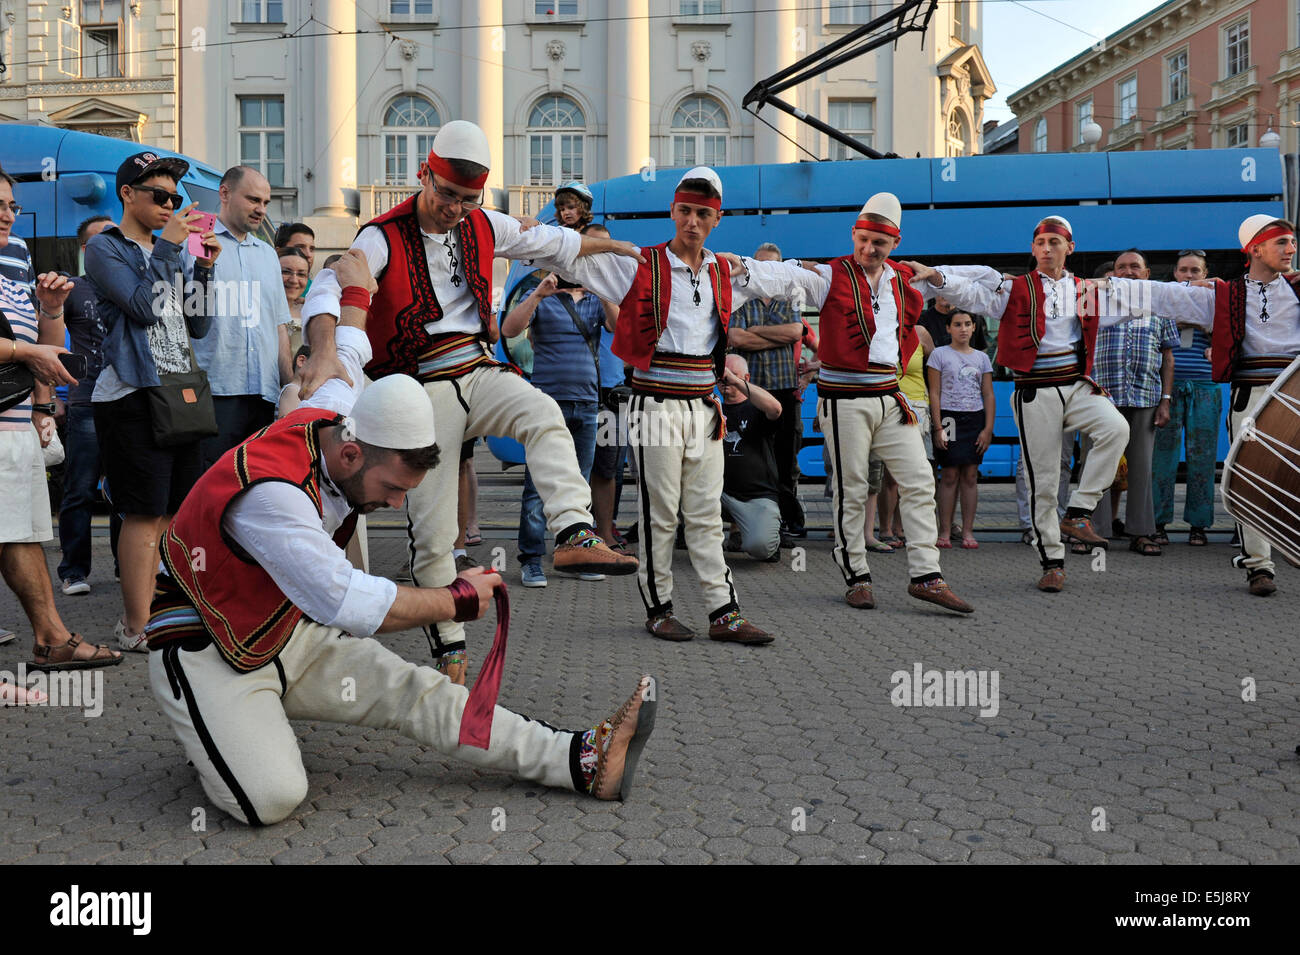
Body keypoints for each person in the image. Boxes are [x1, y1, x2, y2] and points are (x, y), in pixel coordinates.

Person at [144, 248, 656, 824]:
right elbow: (345, 601)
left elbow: (350, 345)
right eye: (392, 487)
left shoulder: (339, 407)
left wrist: (349, 287)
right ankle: (218, 728)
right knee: (270, 800)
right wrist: (455, 599)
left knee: (422, 693)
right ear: (354, 452)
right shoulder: (273, 496)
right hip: (206, 647)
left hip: (283, 631)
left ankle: (580, 758)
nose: (397, 503)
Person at [298, 121, 639, 684]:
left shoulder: (485, 223)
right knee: (433, 537)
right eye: (446, 195)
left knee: (543, 415)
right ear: (423, 176)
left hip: (479, 369)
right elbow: (330, 286)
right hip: (419, 389)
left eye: (466, 200)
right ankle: (450, 654)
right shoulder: (380, 236)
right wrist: (326, 351)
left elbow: (560, 244)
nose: (454, 209)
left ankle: (574, 533)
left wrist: (619, 246)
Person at [533, 167, 820, 643]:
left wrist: (823, 273)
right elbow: (564, 251)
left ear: (716, 219)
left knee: (705, 513)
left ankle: (723, 612)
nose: (692, 222)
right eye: (685, 211)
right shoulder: (638, 264)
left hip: (704, 409)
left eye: (702, 214)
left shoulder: (727, 270)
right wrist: (546, 232)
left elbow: (784, 277)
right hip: (656, 404)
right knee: (659, 512)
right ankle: (659, 607)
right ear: (672, 211)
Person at [734, 193, 975, 614]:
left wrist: (936, 274)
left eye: (878, 243)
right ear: (853, 235)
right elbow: (782, 276)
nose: (869, 249)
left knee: (919, 481)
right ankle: (856, 574)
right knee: (852, 487)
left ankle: (926, 575)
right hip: (844, 396)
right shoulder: (830, 275)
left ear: (894, 243)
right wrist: (741, 265)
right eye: (862, 239)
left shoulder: (903, 279)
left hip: (888, 394)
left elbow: (970, 284)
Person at [906, 215, 1130, 594]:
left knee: (1116, 428)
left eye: (1054, 243)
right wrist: (939, 278)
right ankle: (1052, 561)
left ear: (1069, 248)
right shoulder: (1016, 288)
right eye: (1040, 243)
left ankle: (1078, 512)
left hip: (1075, 384)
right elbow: (971, 294)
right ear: (1033, 249)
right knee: (1043, 479)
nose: (1046, 249)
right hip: (1035, 387)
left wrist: (1198, 290)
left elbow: (1150, 297)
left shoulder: (1087, 289)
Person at [1101, 215, 1300, 596]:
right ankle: (1259, 566)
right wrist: (1094, 285)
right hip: (1251, 396)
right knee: (1251, 482)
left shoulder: (1297, 287)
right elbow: (1160, 295)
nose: (1291, 250)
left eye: (1292, 243)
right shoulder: (1225, 295)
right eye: (1282, 243)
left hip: (1295, 391)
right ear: (1255, 249)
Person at [86, 151, 222, 652]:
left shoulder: (176, 252)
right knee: (142, 514)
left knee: (170, 515)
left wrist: (204, 269)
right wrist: (168, 251)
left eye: (175, 198)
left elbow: (199, 324)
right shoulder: (106, 248)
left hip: (177, 390)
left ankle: (160, 616)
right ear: (128, 195)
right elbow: (143, 309)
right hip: (129, 394)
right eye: (159, 196)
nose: (170, 206)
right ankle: (133, 625)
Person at [0, 164, 122, 695]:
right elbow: (29, 350)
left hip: (12, 421)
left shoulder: (14, 260)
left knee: (21, 535)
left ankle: (51, 637)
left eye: (11, 206)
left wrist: (49, 309)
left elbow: (49, 345)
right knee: (16, 536)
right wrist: (26, 351)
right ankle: (51, 635)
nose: (7, 215)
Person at [501, 266, 612, 587]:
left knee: (579, 487)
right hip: (547, 406)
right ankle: (531, 560)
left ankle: (578, 555)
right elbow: (509, 329)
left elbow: (618, 325)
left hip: (588, 404)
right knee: (538, 487)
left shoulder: (594, 300)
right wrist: (538, 293)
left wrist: (602, 287)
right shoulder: (541, 298)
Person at [194, 166, 294, 471]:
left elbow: (278, 326)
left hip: (263, 394)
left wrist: (289, 388)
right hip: (214, 392)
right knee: (209, 488)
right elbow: (188, 317)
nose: (261, 209)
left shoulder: (266, 255)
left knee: (254, 490)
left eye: (265, 202)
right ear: (224, 194)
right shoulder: (197, 241)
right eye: (253, 200)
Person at [1086, 249, 1178, 557]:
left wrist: (1165, 400)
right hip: (1099, 398)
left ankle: (1141, 532)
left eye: (1134, 267)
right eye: (1121, 267)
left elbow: (1168, 356)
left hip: (1145, 397)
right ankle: (1093, 532)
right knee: (1096, 467)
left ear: (1147, 273)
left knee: (1141, 468)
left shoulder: (1159, 306)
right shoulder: (1094, 304)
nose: (1127, 271)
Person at [727, 241, 808, 542]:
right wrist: (778, 336)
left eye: (772, 264)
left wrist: (755, 333)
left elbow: (796, 332)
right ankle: (742, 523)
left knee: (786, 459)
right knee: (749, 456)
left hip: (785, 390)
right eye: (760, 263)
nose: (766, 269)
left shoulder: (790, 297)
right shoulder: (741, 298)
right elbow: (735, 337)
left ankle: (786, 519)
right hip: (751, 391)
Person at [56, 214, 114, 596]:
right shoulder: (73, 289)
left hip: (129, 403)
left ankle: (127, 566)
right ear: (84, 250)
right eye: (100, 241)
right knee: (79, 489)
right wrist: (47, 401)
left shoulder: (131, 287)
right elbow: (50, 339)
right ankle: (73, 571)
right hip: (87, 401)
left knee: (127, 491)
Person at [1151, 250, 1219, 547]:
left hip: (1204, 385)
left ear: (1205, 274)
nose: (1188, 276)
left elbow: (1231, 337)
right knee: (1162, 458)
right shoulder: (1163, 299)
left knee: (1202, 458)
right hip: (1167, 387)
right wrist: (1184, 323)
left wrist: (1208, 329)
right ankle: (1157, 522)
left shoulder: (1217, 300)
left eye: (1195, 271)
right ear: (1174, 274)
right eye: (1183, 271)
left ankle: (1199, 525)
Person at [927, 310, 995, 549]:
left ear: (974, 328)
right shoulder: (939, 355)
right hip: (949, 418)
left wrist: (988, 428)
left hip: (974, 419)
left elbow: (988, 394)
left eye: (967, 324)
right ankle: (944, 531)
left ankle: (968, 531)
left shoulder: (982, 358)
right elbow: (934, 393)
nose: (963, 329)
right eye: (957, 324)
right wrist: (937, 427)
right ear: (948, 329)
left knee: (970, 475)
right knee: (949, 474)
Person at [719, 354, 783, 561]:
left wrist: (735, 381)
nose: (725, 379)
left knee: (760, 548)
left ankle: (770, 532)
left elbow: (775, 409)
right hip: (719, 495)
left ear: (746, 377)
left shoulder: (756, 408)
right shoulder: (711, 408)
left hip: (757, 496)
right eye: (721, 374)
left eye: (732, 374)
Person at [877, 322, 935, 546]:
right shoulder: (880, 330)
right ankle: (885, 529)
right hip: (890, 404)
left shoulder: (920, 332)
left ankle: (903, 528)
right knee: (891, 476)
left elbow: (935, 367)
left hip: (918, 407)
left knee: (913, 475)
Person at [278, 245, 310, 351]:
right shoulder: (254, 310)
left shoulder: (312, 311)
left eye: (301, 274)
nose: (294, 280)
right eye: (286, 272)